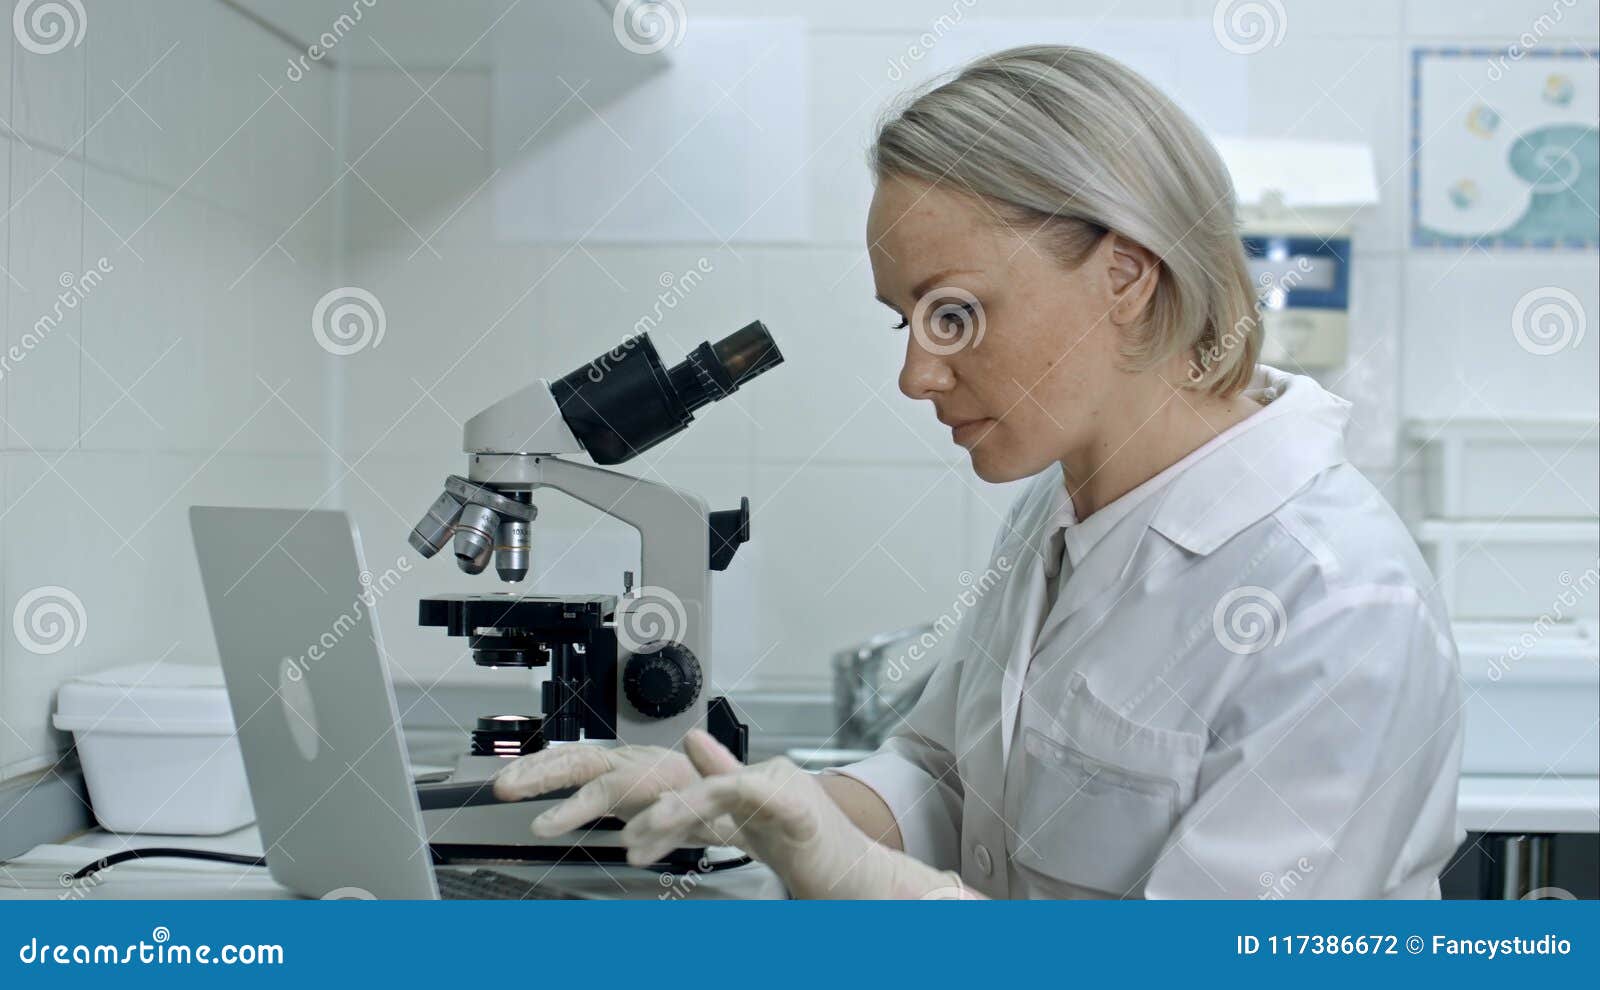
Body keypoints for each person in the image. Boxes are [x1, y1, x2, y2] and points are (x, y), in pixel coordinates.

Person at [494, 45, 1464, 899]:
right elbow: (950, 773)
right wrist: (778, 811)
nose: (916, 373)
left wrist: (884, 892)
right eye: (903, 321)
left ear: (1125, 275)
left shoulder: (1339, 611)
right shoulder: (1070, 500)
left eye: (952, 313)